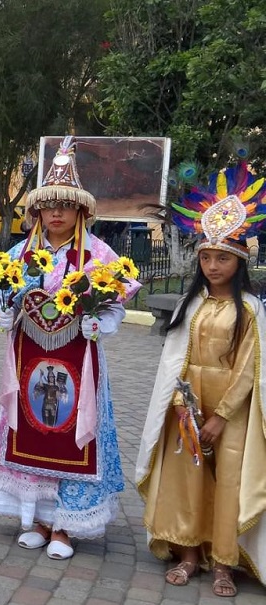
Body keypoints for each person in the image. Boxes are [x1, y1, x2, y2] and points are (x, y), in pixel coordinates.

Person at [0, 137, 140, 560]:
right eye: (49, 206)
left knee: (72, 436)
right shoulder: (22, 253)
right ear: (37, 211)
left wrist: (100, 322)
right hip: (31, 361)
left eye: (65, 206)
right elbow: (10, 298)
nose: (56, 213)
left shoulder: (98, 255)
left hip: (78, 363)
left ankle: (67, 527)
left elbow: (116, 304)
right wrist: (3, 316)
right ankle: (36, 519)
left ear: (79, 212)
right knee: (32, 430)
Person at [136, 163, 266, 597]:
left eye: (223, 258)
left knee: (229, 481)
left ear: (240, 261)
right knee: (187, 478)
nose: (213, 265)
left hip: (234, 411)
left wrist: (222, 415)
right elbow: (175, 363)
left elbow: (250, 367)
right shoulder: (188, 306)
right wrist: (180, 405)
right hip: (186, 407)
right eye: (206, 257)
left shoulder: (249, 310)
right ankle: (189, 554)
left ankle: (226, 562)